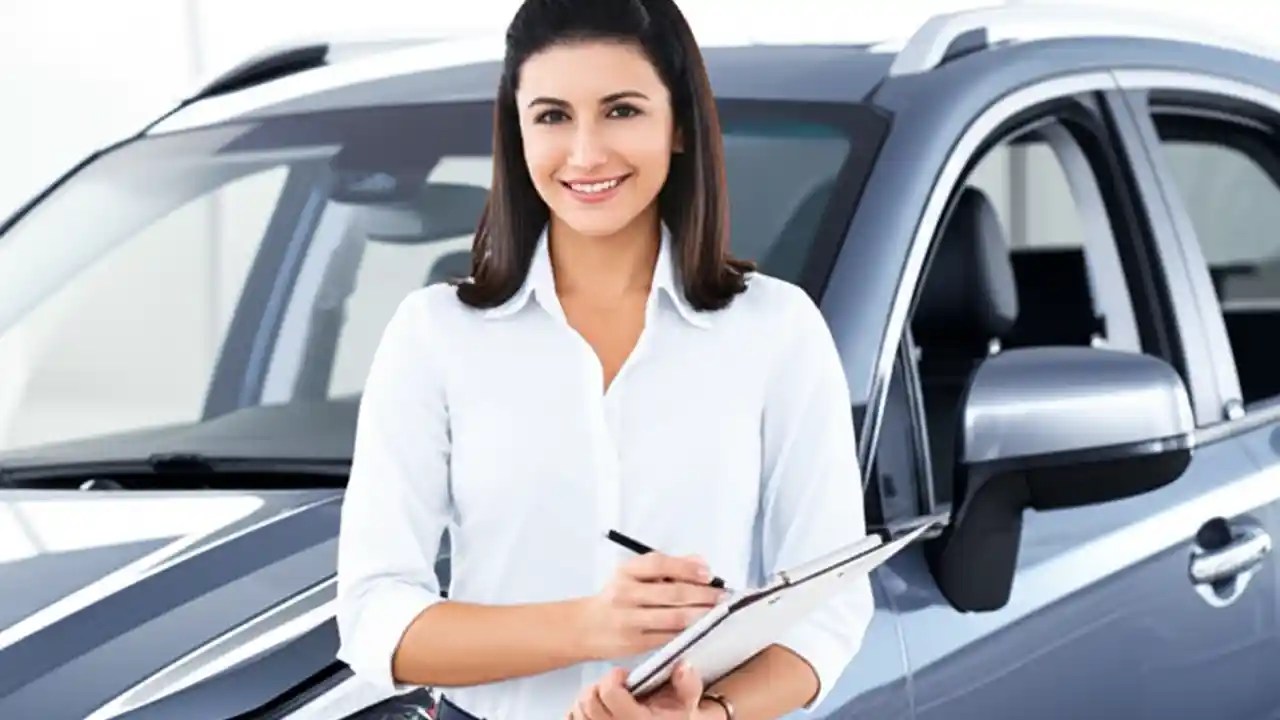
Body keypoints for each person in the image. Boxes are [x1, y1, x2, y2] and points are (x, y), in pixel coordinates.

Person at [334, 0, 875, 718]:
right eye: (553, 116)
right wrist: (589, 625)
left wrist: (710, 716)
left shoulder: (777, 330)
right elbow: (375, 617)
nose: (585, 153)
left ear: (679, 123)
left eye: (621, 111)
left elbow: (826, 609)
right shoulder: (433, 335)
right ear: (517, 130)